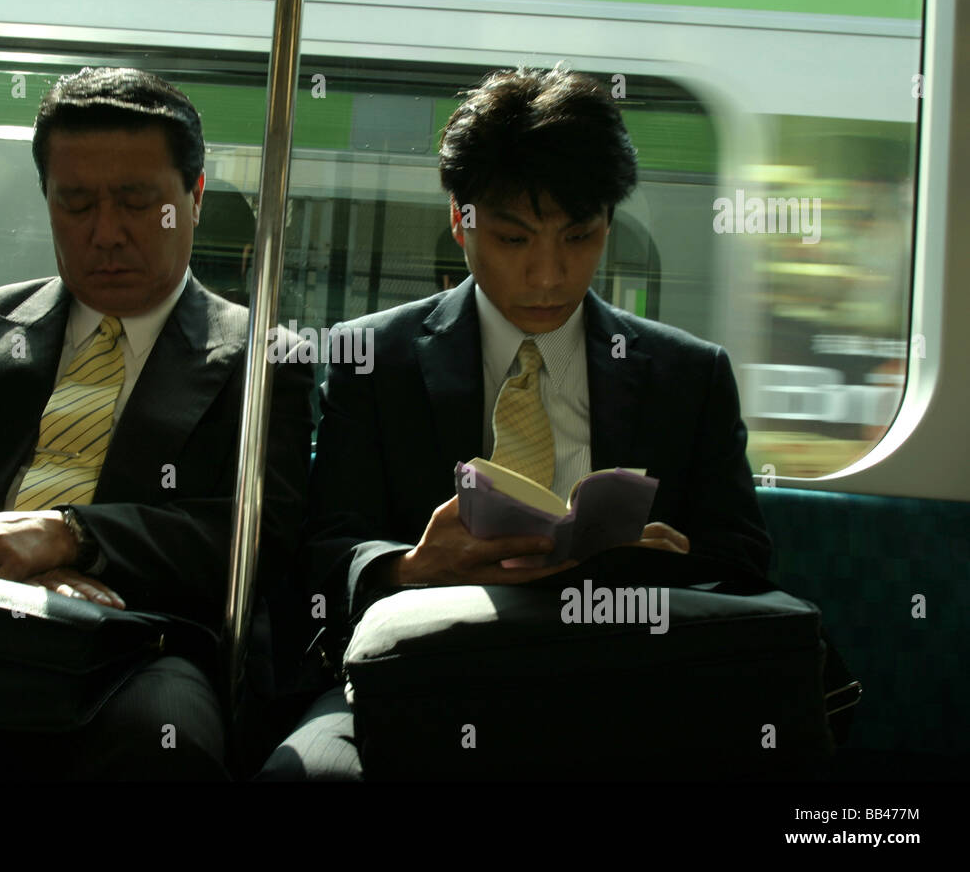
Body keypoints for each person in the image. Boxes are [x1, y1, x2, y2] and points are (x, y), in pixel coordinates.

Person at [259, 64, 771, 780]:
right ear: (458, 219)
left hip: (621, 673)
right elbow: (319, 551)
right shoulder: (375, 358)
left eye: (579, 237)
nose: (548, 276)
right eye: (513, 240)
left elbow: (746, 556)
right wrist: (410, 565)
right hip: (423, 669)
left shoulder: (685, 374)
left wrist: (654, 562)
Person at [0, 67, 314, 779]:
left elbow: (254, 531)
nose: (106, 234)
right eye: (76, 203)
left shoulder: (266, 360)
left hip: (135, 644)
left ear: (194, 197)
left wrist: (70, 535)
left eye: (136, 202)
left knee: (167, 741)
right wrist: (11, 572)